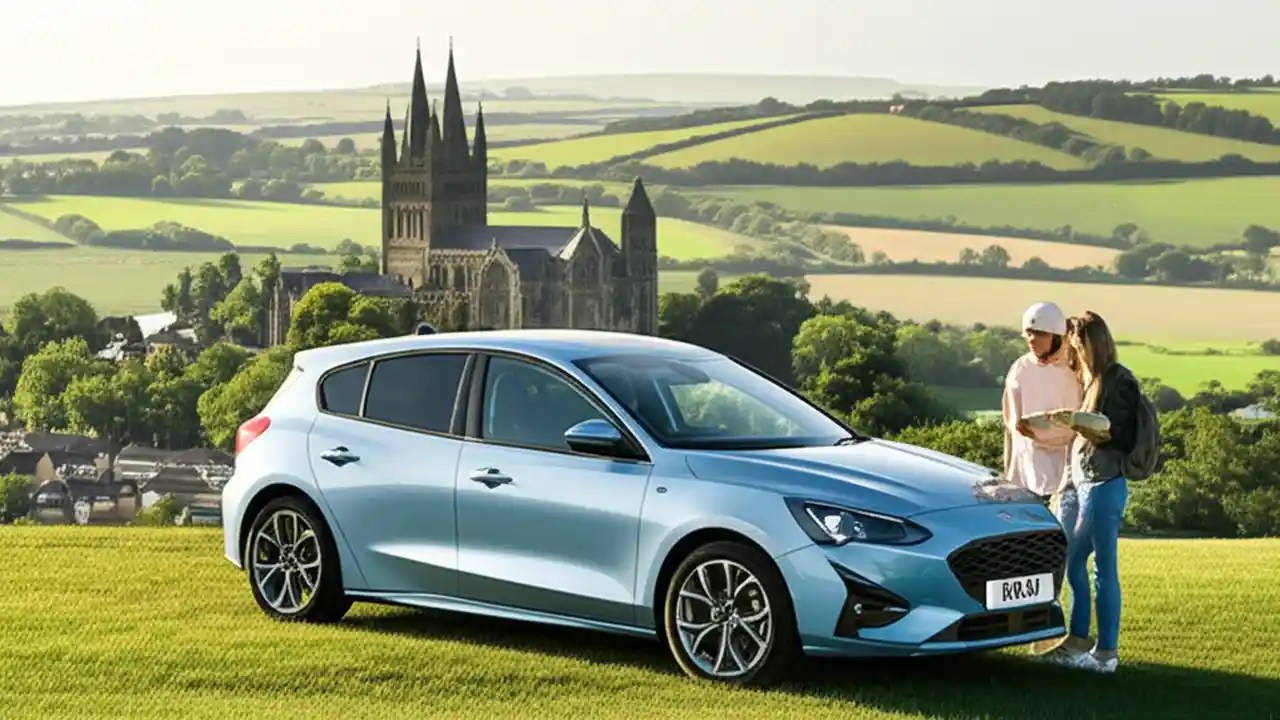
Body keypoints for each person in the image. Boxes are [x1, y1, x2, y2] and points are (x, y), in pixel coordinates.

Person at [1044, 311, 1140, 674]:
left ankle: (1104, 652)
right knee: (1080, 563)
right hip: (1089, 487)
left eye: (1076, 345)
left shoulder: (1118, 380)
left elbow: (1123, 436)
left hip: (1104, 488)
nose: (1074, 352)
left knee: (1098, 567)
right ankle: (1083, 643)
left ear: (1088, 342)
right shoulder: (1095, 380)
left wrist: (1090, 428)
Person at [1001, 302, 1082, 506]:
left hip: (1066, 478)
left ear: (1056, 336)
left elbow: (1079, 426)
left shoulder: (1075, 371)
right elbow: (1010, 429)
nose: (1032, 339)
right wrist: (1009, 476)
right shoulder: (1019, 369)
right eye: (1029, 333)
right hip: (1026, 476)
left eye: (1039, 333)